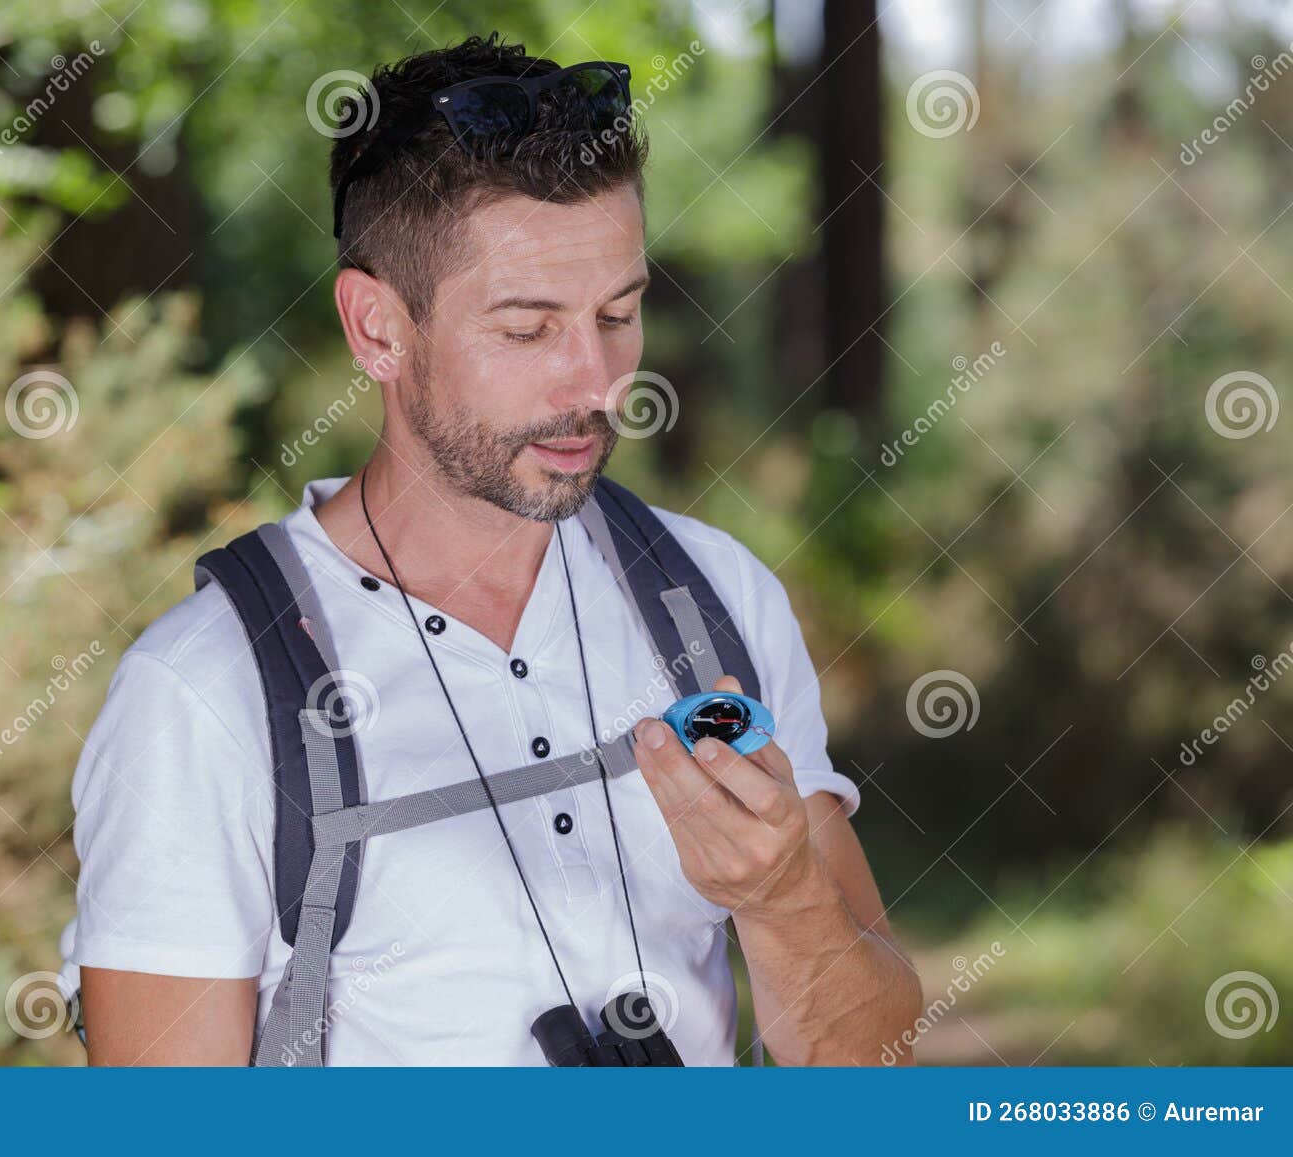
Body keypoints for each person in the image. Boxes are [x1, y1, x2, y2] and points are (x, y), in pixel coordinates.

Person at [57, 32, 921, 1066]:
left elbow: (872, 1071)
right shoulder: (200, 694)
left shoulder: (713, 599)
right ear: (377, 327)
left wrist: (783, 900)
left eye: (619, 313)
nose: (592, 379)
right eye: (526, 328)